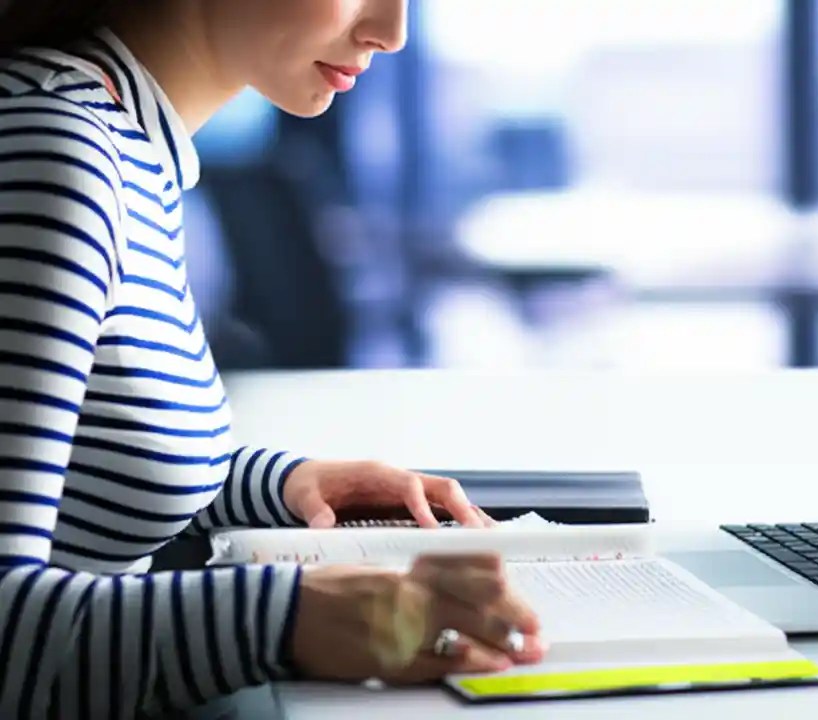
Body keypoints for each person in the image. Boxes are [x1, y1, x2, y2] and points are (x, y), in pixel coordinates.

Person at [0, 1, 545, 716]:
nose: (391, 32)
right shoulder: (57, 153)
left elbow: (83, 470)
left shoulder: (120, 139)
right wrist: (291, 617)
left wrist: (278, 482)